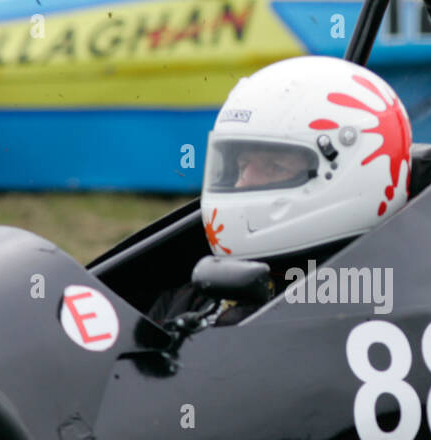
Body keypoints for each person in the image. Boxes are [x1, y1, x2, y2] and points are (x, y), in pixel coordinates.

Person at [150, 54, 413, 326]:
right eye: (240, 165)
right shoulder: (189, 296)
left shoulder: (373, 307)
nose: (241, 183)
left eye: (273, 167)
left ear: (353, 173)